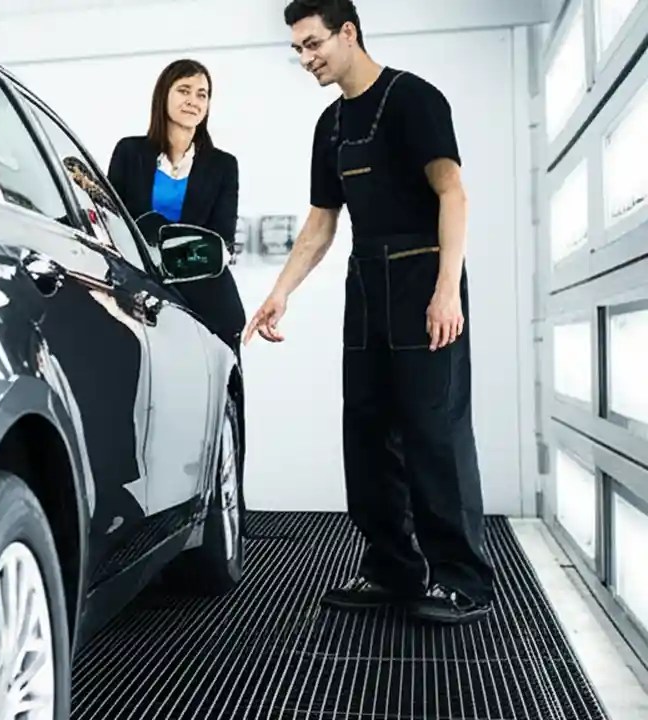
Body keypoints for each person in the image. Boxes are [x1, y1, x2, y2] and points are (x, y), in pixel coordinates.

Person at [243, 0, 496, 625]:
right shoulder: (329, 127)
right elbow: (322, 224)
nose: (305, 59)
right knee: (366, 429)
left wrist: (447, 291)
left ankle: (462, 578)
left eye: (312, 44)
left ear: (347, 32)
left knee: (434, 432)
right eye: (297, 49)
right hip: (366, 285)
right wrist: (281, 291)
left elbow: (452, 193)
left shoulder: (415, 99)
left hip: (423, 277)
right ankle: (392, 569)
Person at [107, 58, 247, 359]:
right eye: (184, 90)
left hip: (201, 289)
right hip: (138, 286)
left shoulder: (223, 165)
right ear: (164, 96)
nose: (193, 101)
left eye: (202, 94)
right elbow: (110, 219)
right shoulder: (129, 152)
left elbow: (222, 239)